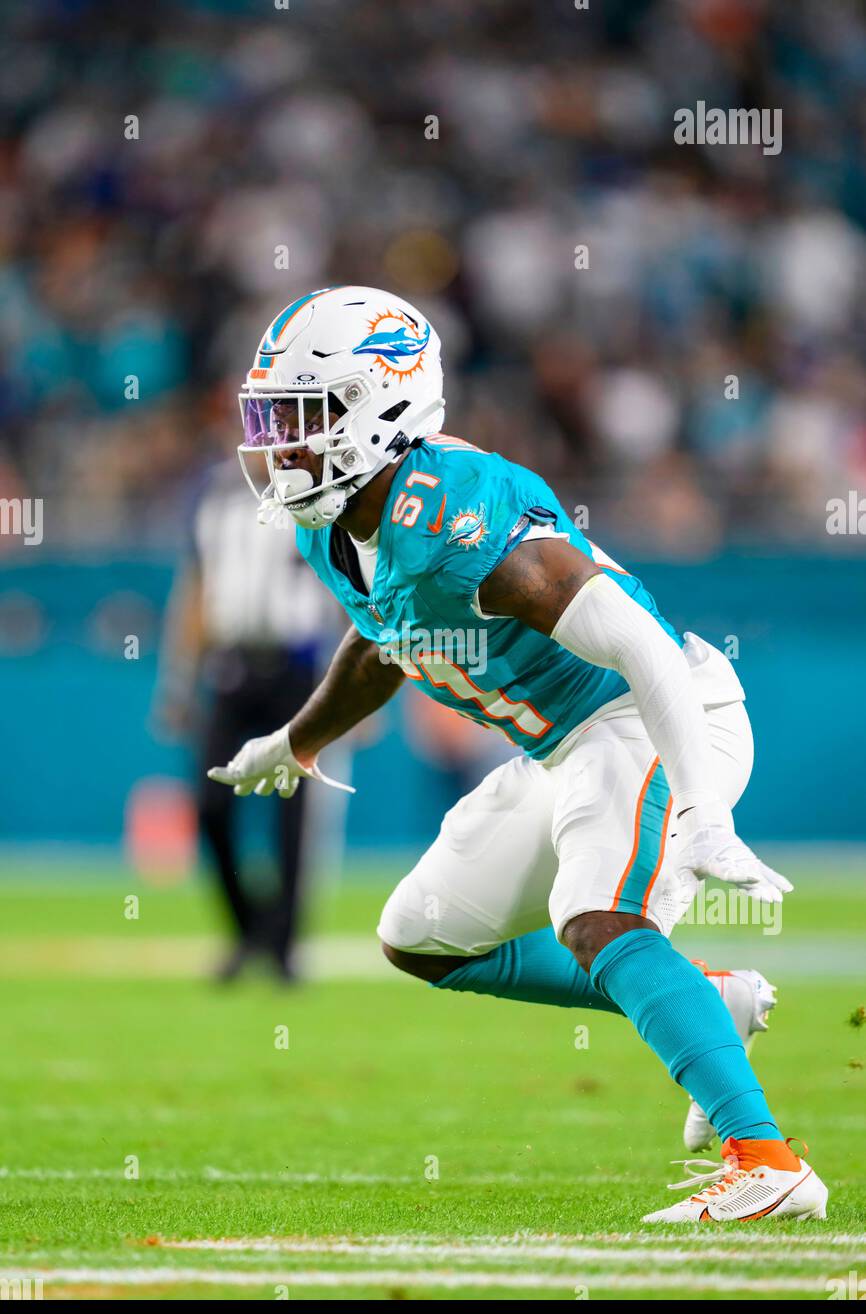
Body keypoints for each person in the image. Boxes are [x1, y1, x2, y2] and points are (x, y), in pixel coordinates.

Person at [208, 286, 827, 1222]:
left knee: (596, 917)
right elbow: (384, 642)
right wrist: (294, 743)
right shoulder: (334, 521)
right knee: (421, 934)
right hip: (561, 748)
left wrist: (705, 808)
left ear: (382, 408)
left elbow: (642, 646)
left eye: (305, 417)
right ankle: (707, 1001)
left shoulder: (463, 517)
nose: (282, 445)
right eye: (275, 419)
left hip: (649, 715)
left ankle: (769, 1163)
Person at [156, 457, 335, 981]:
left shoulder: (314, 492)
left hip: (295, 669)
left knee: (291, 814)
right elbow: (195, 589)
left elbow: (343, 585)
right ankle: (248, 928)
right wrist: (178, 681)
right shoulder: (211, 493)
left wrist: (349, 688)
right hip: (232, 666)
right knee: (211, 805)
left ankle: (282, 948)